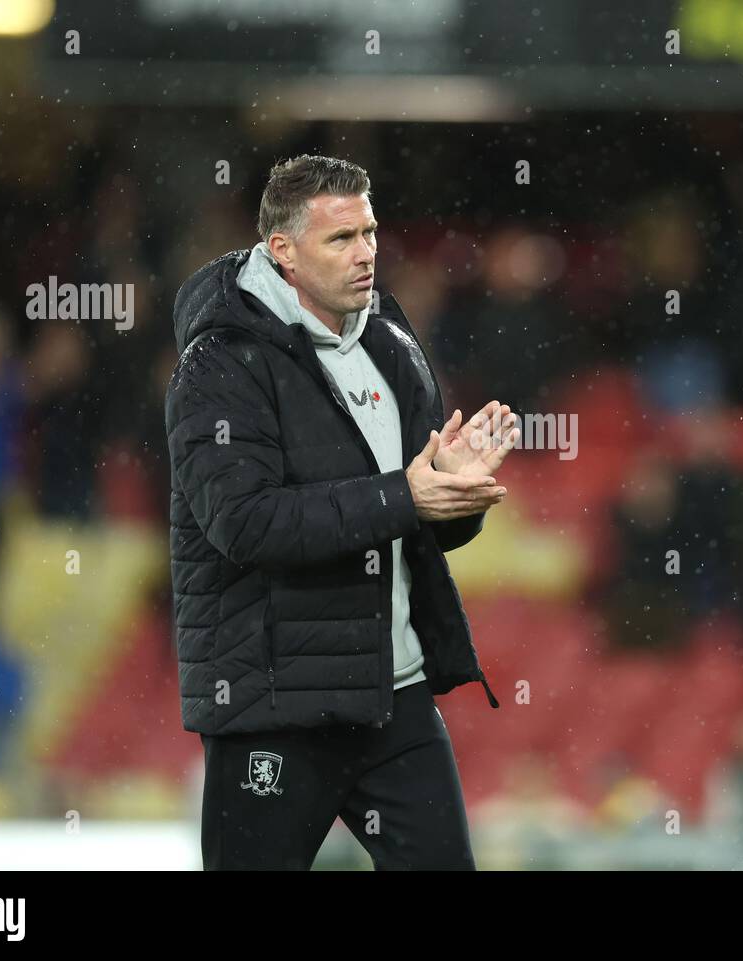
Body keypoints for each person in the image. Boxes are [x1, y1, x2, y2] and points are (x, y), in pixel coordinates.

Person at [165, 154, 520, 870]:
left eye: (370, 233)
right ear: (283, 252)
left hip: (395, 695)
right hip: (275, 707)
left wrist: (452, 492)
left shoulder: (389, 339)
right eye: (341, 239)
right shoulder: (219, 365)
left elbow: (418, 518)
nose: (366, 254)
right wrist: (405, 495)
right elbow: (245, 523)